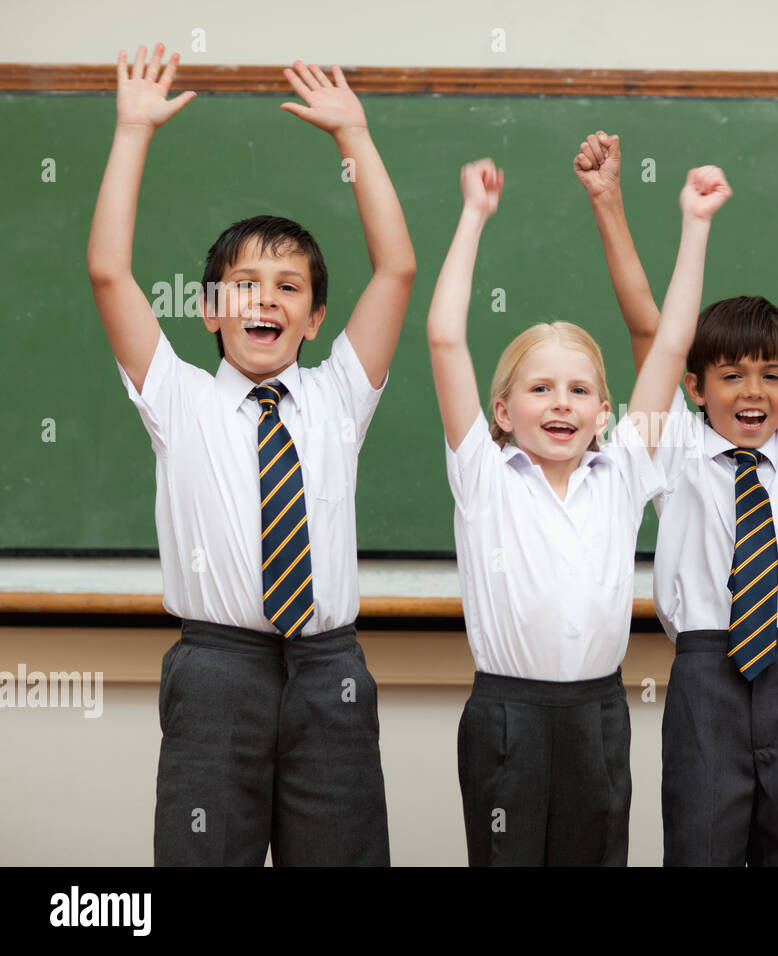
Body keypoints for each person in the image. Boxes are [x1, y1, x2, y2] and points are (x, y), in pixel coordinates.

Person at [87, 44, 416, 865]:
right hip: (216, 672)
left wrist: (357, 137)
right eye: (243, 284)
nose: (264, 298)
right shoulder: (180, 398)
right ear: (207, 310)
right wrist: (132, 132)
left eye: (288, 287)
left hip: (329, 670)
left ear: (313, 321)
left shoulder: (340, 393)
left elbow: (399, 268)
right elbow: (107, 271)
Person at [573, 125, 778, 864]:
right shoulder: (674, 446)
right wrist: (608, 202)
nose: (754, 392)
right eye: (732, 375)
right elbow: (648, 326)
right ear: (695, 386)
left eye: (772, 376)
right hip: (706, 674)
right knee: (700, 850)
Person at [429, 155, 731, 865]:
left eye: (577, 390)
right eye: (539, 390)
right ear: (501, 410)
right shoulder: (482, 474)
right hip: (506, 715)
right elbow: (445, 338)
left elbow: (673, 344)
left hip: (598, 713)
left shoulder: (625, 470)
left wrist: (695, 224)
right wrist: (473, 216)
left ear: (604, 412)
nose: (559, 403)